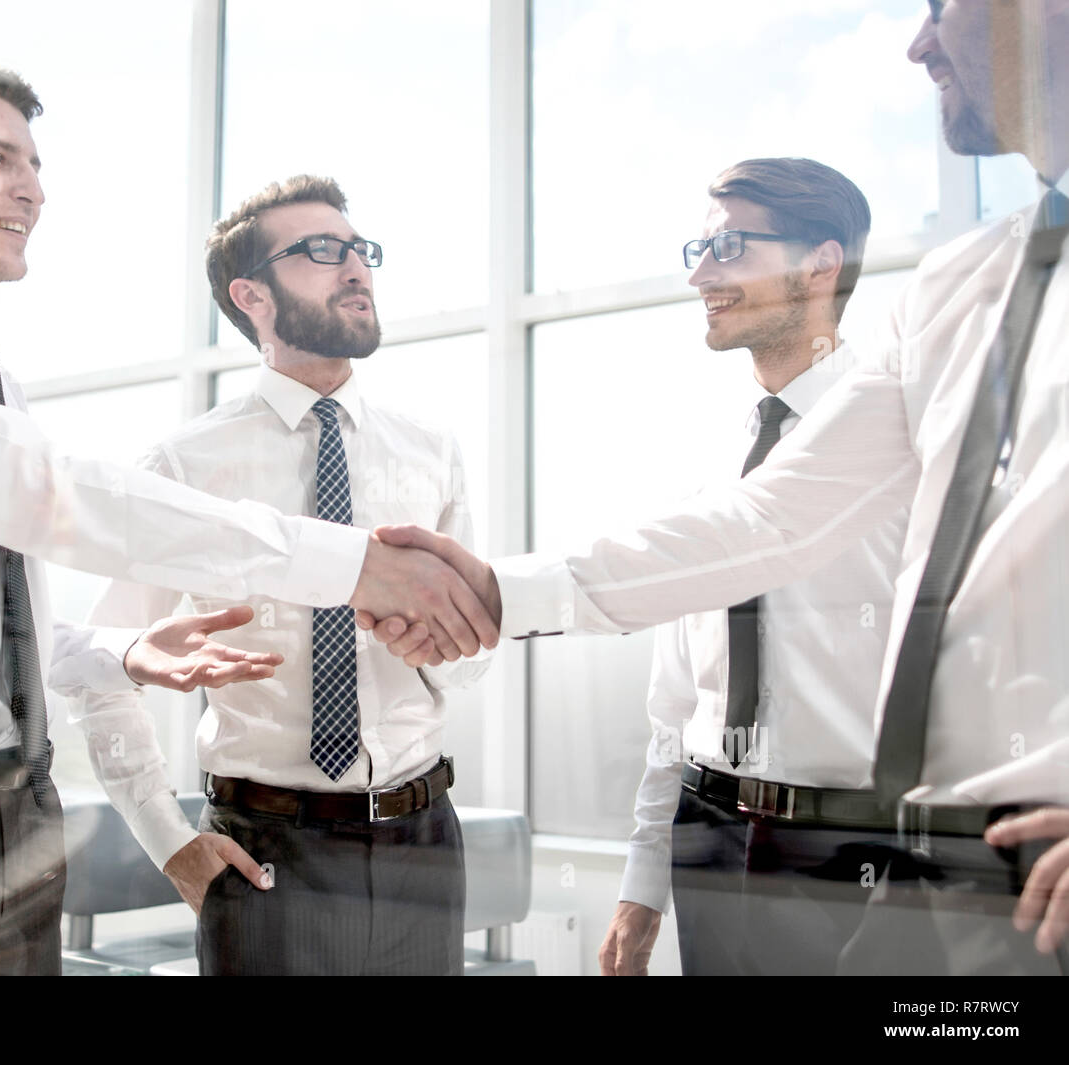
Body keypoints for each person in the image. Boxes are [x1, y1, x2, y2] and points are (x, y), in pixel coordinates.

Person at [370, 0, 1069, 974]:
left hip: (898, 847)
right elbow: (766, 531)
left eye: (938, 8)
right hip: (858, 858)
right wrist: (496, 592)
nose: (916, 42)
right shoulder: (956, 293)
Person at [0, 53, 495, 976]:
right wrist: (347, 564)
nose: (33, 189)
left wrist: (117, 652)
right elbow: (41, 489)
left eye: (34, 164)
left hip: (15, 807)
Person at [76, 175, 490, 977]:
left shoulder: (431, 450)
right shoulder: (183, 465)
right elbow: (100, 665)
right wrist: (172, 844)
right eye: (321, 251)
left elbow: (475, 656)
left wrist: (447, 640)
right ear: (250, 294)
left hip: (424, 840)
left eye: (360, 249)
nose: (356, 269)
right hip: (266, 854)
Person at [591, 158, 908, 976]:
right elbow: (675, 692)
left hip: (855, 852)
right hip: (707, 829)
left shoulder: (910, 436)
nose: (700, 272)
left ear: (820, 262)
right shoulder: (712, 457)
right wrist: (644, 875)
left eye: (730, 246)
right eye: (698, 247)